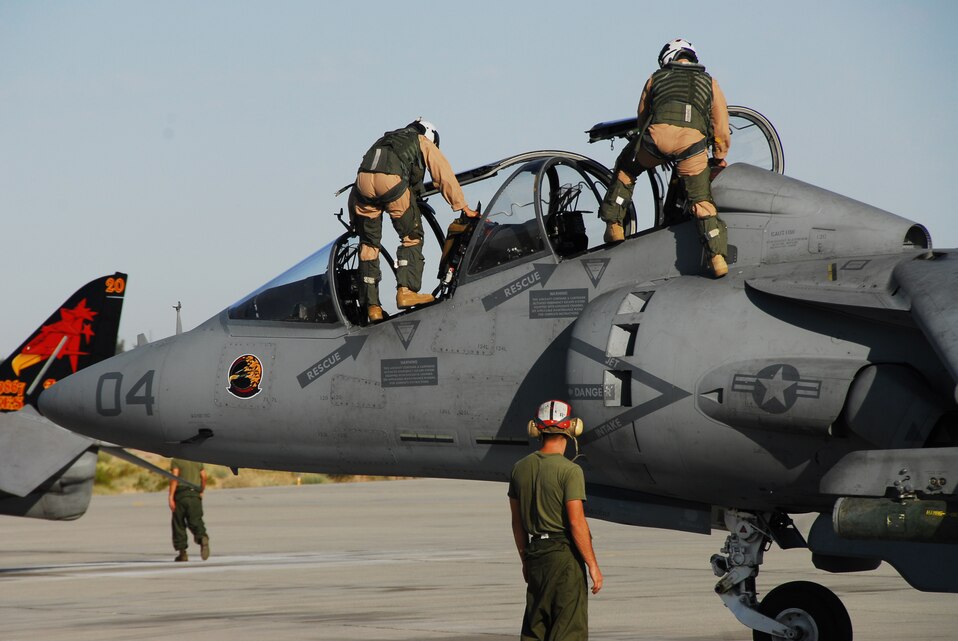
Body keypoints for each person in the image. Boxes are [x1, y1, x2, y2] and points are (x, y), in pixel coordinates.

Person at [598, 38, 732, 278]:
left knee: (626, 168)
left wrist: (647, 141)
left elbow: (642, 115)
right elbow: (721, 125)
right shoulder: (710, 82)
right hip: (692, 147)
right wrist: (719, 156)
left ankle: (614, 226)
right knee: (702, 201)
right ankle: (717, 257)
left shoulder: (656, 78)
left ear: (669, 58)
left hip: (655, 141)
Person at [348, 118, 479, 322]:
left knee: (369, 246)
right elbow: (442, 174)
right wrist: (463, 206)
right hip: (391, 182)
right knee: (411, 236)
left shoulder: (385, 140)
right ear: (430, 136)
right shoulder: (421, 141)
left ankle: (372, 307)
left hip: (362, 186)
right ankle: (406, 291)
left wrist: (353, 221)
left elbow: (361, 179)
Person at [508, 400, 602, 641]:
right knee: (568, 629)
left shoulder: (519, 468)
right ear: (571, 429)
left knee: (535, 627)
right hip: (564, 558)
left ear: (536, 429)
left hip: (535, 555)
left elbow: (517, 524)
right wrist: (592, 565)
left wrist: (525, 559)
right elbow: (576, 523)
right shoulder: (570, 471)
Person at [169, 457, 210, 562]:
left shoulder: (176, 460)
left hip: (181, 495)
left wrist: (171, 496)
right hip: (195, 494)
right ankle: (202, 537)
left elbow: (174, 476)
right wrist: (201, 490)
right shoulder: (196, 459)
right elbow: (204, 476)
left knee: (179, 523)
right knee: (195, 520)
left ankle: (182, 553)